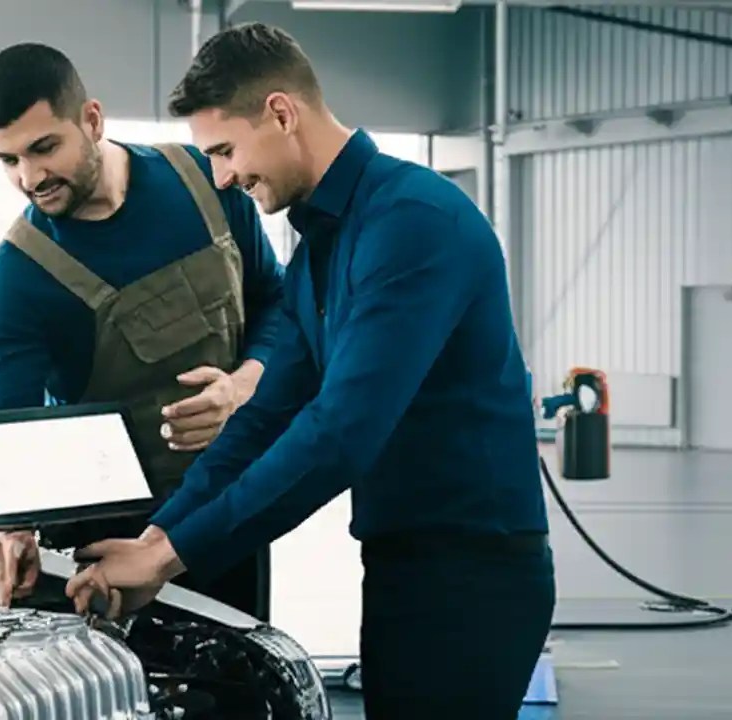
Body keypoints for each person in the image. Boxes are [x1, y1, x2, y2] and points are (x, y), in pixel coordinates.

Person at [65, 22, 556, 720]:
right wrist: (158, 536)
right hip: (400, 566)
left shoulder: (412, 223)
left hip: (474, 576)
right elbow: (264, 415)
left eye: (226, 151)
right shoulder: (321, 245)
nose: (224, 177)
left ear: (282, 113)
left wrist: (171, 558)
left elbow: (341, 433)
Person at [0, 41, 286, 621]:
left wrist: (242, 386)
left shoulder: (207, 181)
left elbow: (277, 305)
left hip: (230, 506)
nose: (29, 177)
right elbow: (7, 432)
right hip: (111, 550)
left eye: (43, 148)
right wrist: (13, 533)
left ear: (92, 120)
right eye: (8, 160)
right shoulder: (19, 276)